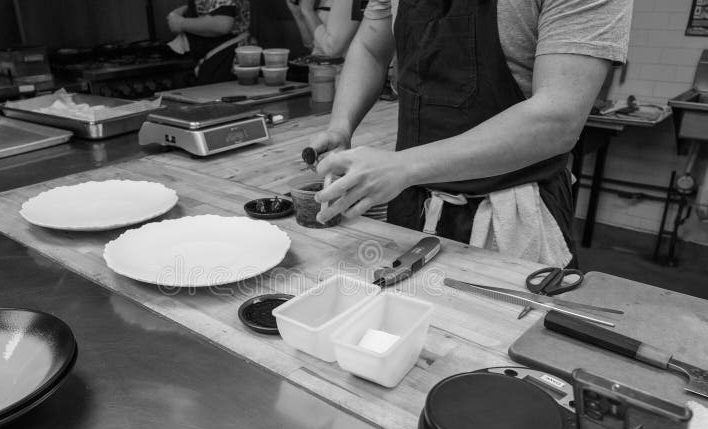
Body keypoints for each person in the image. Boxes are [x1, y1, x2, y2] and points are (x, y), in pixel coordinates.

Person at [308, 0, 631, 267]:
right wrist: (341, 125)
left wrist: (404, 166)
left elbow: (558, 118)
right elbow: (370, 48)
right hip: (409, 201)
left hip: (511, 217)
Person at [167, 0, 251, 85]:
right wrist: (187, 9)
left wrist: (181, 23)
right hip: (227, 58)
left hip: (224, 61)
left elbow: (222, 24)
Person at [285, 0, 359, 57]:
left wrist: (307, 10)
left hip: (342, 74)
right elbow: (312, 45)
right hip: (318, 71)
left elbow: (331, 48)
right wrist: (298, 14)